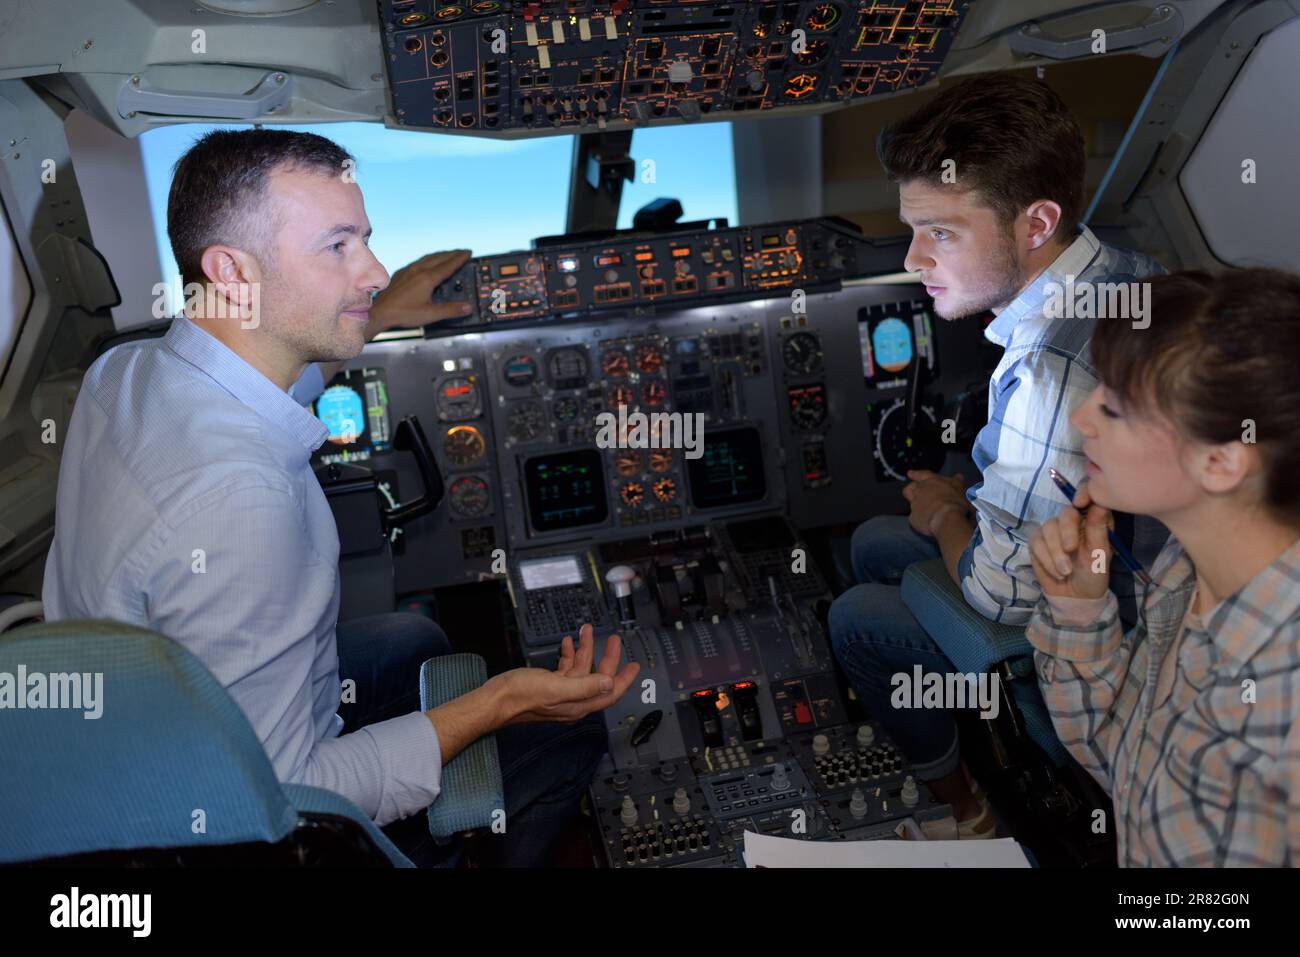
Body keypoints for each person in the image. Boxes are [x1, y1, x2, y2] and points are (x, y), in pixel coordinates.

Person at [42, 128, 639, 867]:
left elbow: (266, 374)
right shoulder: (238, 504)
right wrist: (503, 701)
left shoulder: (127, 371)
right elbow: (288, 796)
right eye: (338, 247)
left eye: (367, 240)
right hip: (219, 816)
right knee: (565, 730)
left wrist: (379, 314)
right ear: (232, 270)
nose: (375, 270)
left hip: (138, 728)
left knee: (413, 640)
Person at [828, 72, 1168, 835]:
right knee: (880, 538)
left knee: (855, 616)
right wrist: (957, 508)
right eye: (912, 227)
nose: (914, 258)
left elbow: (1002, 596)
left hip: (1104, 630)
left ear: (1036, 221)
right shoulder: (1128, 272)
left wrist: (951, 514)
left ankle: (969, 809)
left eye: (942, 232)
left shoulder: (1055, 365)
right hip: (1111, 566)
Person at [1027, 269, 1300, 866]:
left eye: (1116, 408)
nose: (1082, 418)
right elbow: (1130, 768)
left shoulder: (1283, 700)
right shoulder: (1183, 574)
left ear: (1222, 462)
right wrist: (1078, 610)